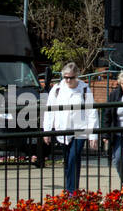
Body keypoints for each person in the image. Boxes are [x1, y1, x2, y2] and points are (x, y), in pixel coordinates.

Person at [42, 63, 98, 194]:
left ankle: (71, 192)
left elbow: (91, 112)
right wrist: (47, 131)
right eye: (65, 77)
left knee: (73, 158)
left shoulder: (84, 89)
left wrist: (93, 135)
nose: (68, 80)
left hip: (80, 130)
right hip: (63, 130)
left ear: (76, 76)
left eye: (71, 78)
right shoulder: (57, 89)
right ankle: (72, 190)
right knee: (68, 162)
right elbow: (49, 111)